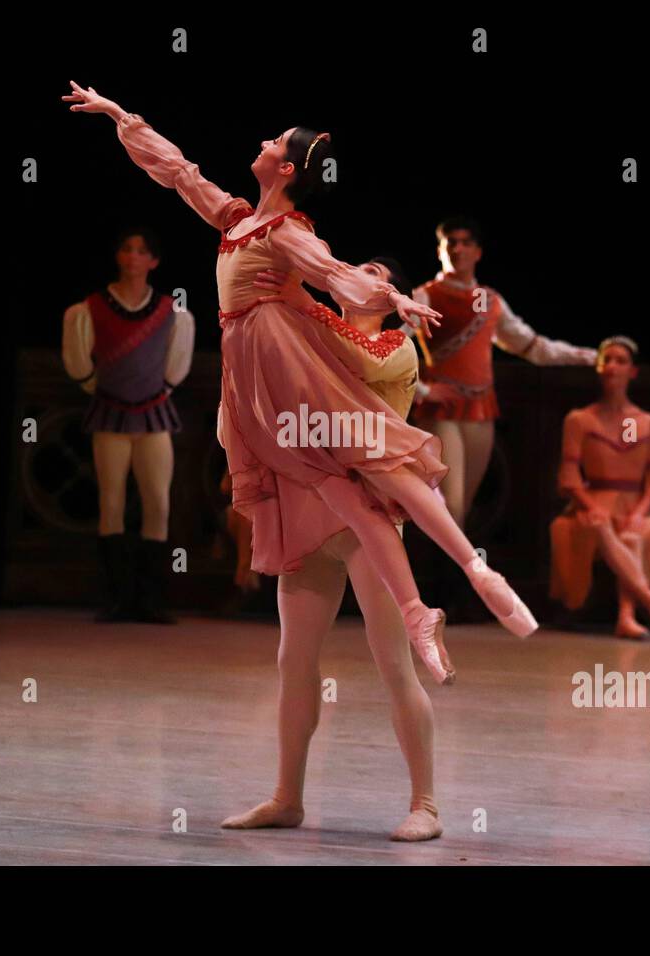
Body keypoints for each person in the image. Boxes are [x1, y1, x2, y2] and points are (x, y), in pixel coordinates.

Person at [62, 81, 538, 686]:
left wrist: (391, 296)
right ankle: (421, 609)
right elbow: (179, 172)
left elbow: (336, 275)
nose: (261, 140)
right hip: (253, 382)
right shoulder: (240, 218)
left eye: (273, 140)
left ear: (284, 167)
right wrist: (120, 117)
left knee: (370, 458)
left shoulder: (288, 232)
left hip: (286, 364)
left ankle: (474, 572)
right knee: (337, 483)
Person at [221, 258, 445, 840]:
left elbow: (352, 359)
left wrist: (292, 295)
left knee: (393, 664)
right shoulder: (309, 333)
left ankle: (426, 805)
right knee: (293, 661)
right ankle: (286, 797)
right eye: (352, 265)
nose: (357, 271)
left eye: (374, 271)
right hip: (309, 511)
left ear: (388, 292)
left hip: (369, 518)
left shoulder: (396, 347)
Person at [411, 217, 596, 619]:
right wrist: (423, 390)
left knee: (465, 506)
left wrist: (586, 356)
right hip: (441, 411)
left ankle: (450, 591)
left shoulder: (490, 301)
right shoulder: (425, 295)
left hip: (480, 408)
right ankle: (441, 593)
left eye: (464, 242)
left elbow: (532, 346)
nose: (457, 249)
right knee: (450, 506)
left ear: (478, 251)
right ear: (440, 250)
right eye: (449, 243)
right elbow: (393, 347)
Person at [62, 227, 193, 623]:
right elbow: (80, 361)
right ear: (119, 256)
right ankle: (117, 598)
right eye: (127, 249)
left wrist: (158, 391)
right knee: (111, 501)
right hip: (110, 413)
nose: (133, 257)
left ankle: (151, 600)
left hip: (154, 415)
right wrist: (98, 388)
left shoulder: (172, 312)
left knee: (158, 502)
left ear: (153, 261)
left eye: (142, 251)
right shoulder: (91, 307)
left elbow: (176, 364)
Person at [549, 337, 650, 637]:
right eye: (607, 360)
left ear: (632, 371)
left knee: (635, 533)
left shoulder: (649, 423)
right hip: (592, 499)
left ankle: (627, 615)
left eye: (620, 361)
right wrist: (591, 505)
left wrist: (640, 511)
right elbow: (569, 476)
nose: (612, 367)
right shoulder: (580, 419)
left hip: (634, 501)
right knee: (599, 523)